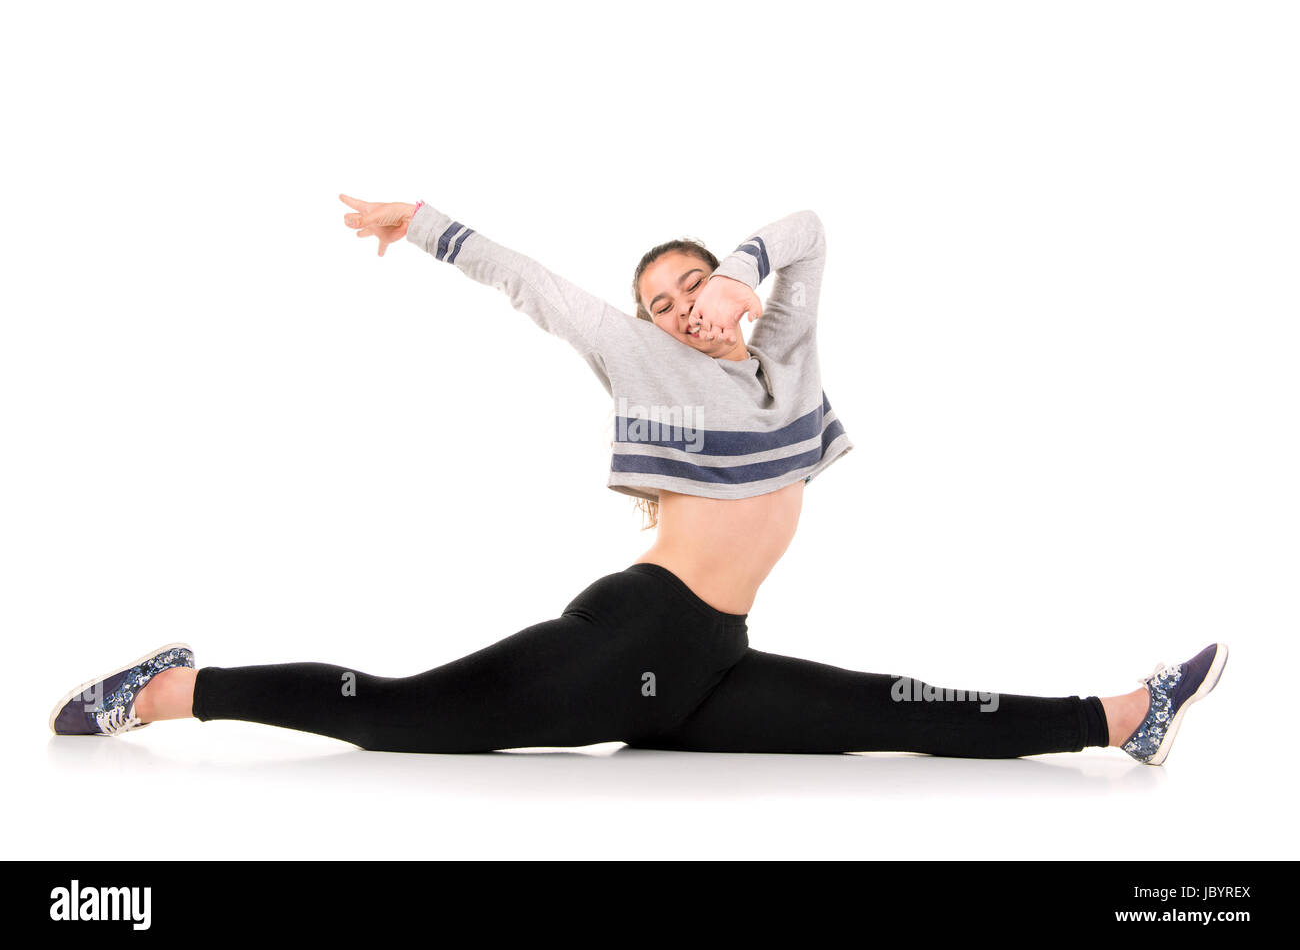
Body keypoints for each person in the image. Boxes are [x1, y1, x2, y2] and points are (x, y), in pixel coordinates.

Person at [48, 195, 1228, 765]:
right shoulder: (644, 359)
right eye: (660, 303)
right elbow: (536, 286)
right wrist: (427, 226)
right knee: (403, 714)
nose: (678, 311)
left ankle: (1124, 718)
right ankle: (165, 691)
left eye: (691, 288)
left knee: (887, 709)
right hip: (634, 635)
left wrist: (746, 268)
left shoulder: (783, 350)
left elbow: (809, 225)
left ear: (727, 289)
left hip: (712, 655)